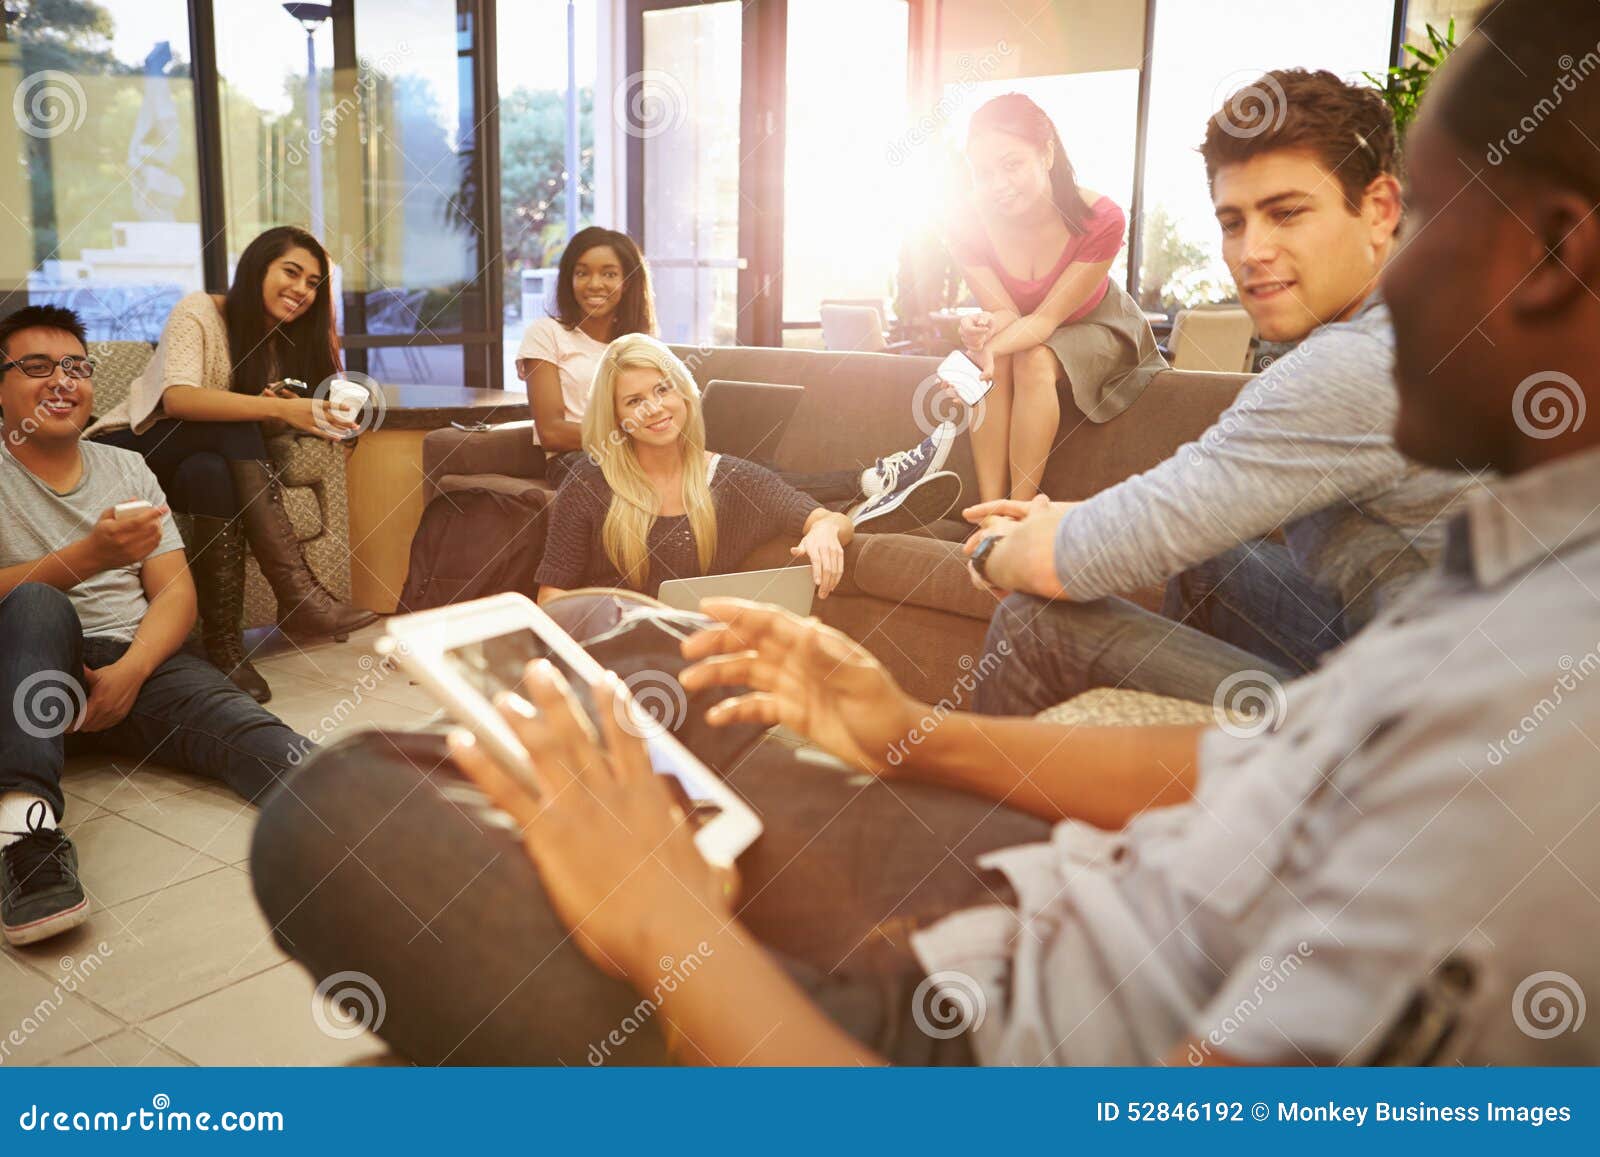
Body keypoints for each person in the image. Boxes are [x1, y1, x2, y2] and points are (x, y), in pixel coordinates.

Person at [250, 0, 1600, 1067]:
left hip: (958, 1041)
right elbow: (1277, 763)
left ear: (1558, 255)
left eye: (1421, 223)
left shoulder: (1545, 747)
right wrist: (913, 730)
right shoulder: (1523, 568)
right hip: (1053, 891)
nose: (1386, 268)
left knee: (337, 816)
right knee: (613, 634)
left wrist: (667, 924)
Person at [966, 70, 1477, 717]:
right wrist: (1058, 515)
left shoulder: (1356, 364)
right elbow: (1187, 505)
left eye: (1288, 212)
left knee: (1029, 626)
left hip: (1419, 719)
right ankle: (1196, 773)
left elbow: (1111, 544)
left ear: (1379, 210)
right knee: (1215, 563)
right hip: (1396, 635)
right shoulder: (1419, 316)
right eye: (1233, 222)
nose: (1252, 252)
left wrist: (993, 553)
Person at [0, 306, 311, 947]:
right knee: (38, 607)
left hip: (130, 664)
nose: (62, 381)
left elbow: (174, 593)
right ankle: (22, 833)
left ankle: (361, 806)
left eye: (76, 367)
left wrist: (133, 669)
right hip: (23, 668)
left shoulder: (126, 469)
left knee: (256, 736)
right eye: (36, 367)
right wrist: (88, 557)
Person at [85, 226, 378, 703]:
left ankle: (223, 649)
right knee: (235, 426)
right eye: (292, 272)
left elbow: (238, 424)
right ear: (258, 266)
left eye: (313, 284)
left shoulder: (271, 340)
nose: (301, 290)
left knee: (212, 473)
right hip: (128, 449)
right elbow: (178, 399)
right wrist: (275, 409)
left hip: (189, 465)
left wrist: (283, 409)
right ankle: (298, 593)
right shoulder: (199, 310)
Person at [519, 227, 962, 533]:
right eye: (582, 272)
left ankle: (861, 497)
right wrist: (637, 434)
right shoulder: (549, 335)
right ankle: (866, 485)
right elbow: (552, 429)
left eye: (608, 273)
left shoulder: (640, 346)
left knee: (738, 472)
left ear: (628, 282)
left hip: (648, 453)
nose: (593, 283)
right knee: (716, 472)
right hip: (577, 466)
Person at [942, 93, 1167, 504]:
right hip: (1029, 328)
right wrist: (985, 336)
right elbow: (1007, 312)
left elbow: (1044, 322)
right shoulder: (964, 224)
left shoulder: (1102, 218)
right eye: (983, 173)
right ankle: (991, 507)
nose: (998, 186)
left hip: (1100, 324)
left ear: (1046, 154)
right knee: (1002, 357)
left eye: (1012, 165)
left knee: (1034, 357)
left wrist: (987, 347)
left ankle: (1018, 508)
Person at [534, 334, 853, 601]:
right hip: (609, 655)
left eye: (662, 389)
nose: (654, 408)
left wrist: (826, 529)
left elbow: (829, 519)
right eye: (634, 401)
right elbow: (551, 599)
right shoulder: (587, 483)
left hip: (700, 654)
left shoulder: (732, 478)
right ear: (616, 418)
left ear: (684, 393)